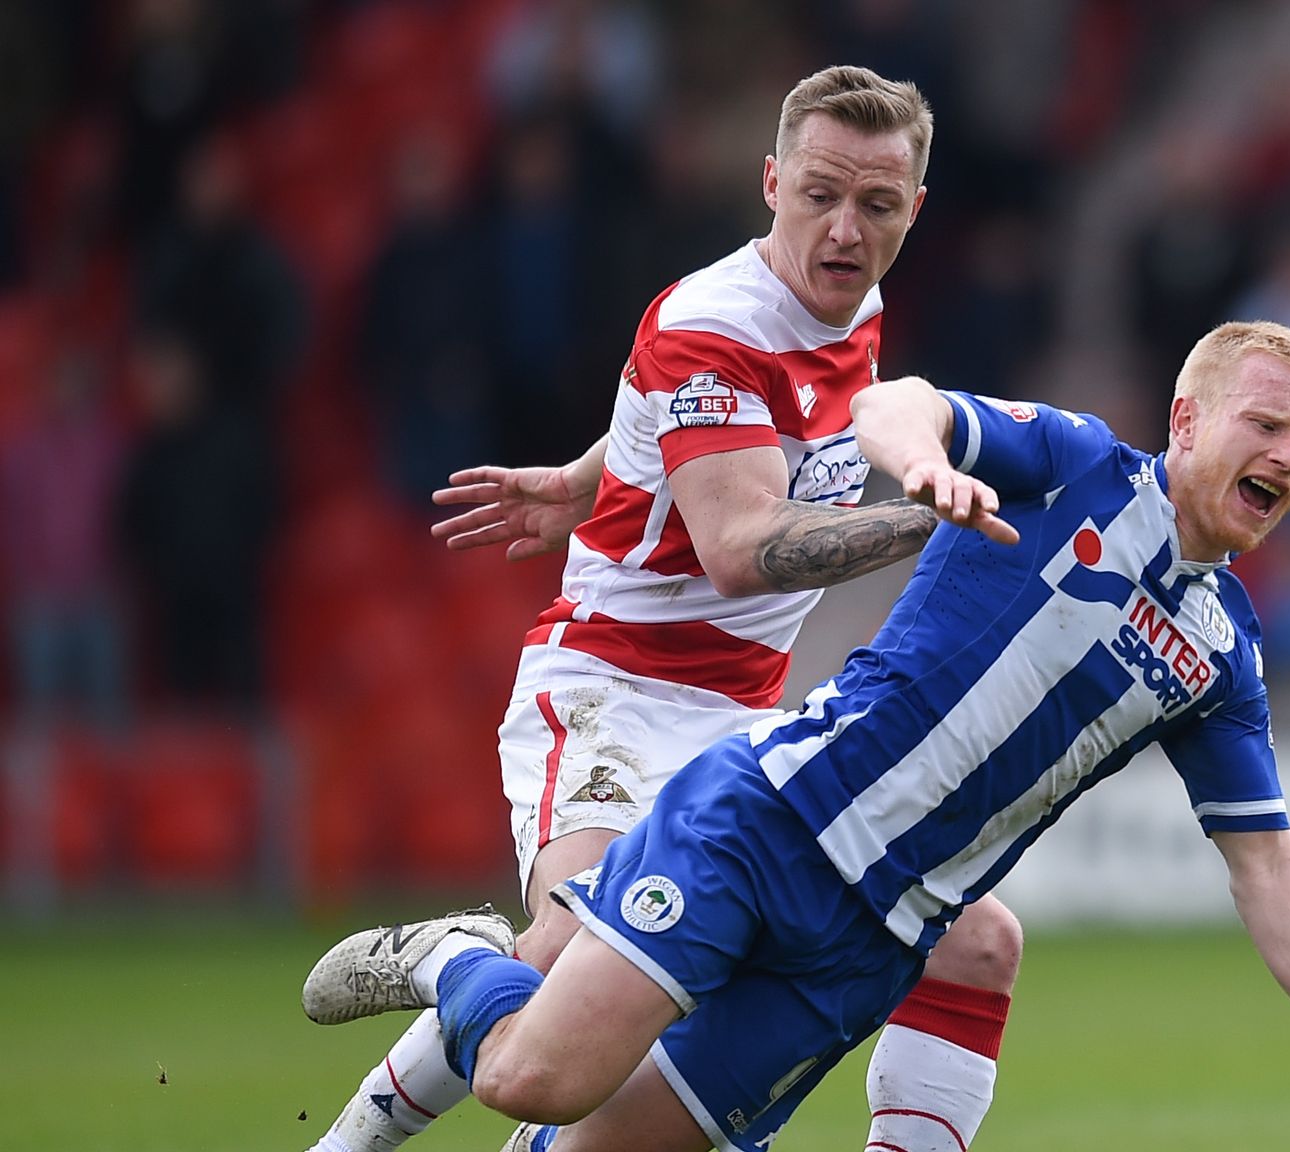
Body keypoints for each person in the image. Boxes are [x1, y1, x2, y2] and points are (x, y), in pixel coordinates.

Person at [303, 322, 1290, 1152]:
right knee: (531, 1080)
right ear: (1186, 419)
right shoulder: (1076, 466)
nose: (1288, 457)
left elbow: (1265, 860)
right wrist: (926, 466)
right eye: (1267, 424)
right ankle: (455, 954)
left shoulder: (1220, 654)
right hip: (762, 829)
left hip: (867, 945)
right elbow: (892, 402)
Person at [306, 66, 1024, 1152]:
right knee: (568, 959)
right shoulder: (714, 324)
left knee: (969, 941)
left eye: (877, 205)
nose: (845, 228)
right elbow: (739, 549)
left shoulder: (854, 305)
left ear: (913, 209)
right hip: (611, 689)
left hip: (745, 723)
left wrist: (594, 474)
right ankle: (438, 982)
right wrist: (933, 516)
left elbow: (719, 422)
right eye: (820, 195)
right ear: (771, 184)